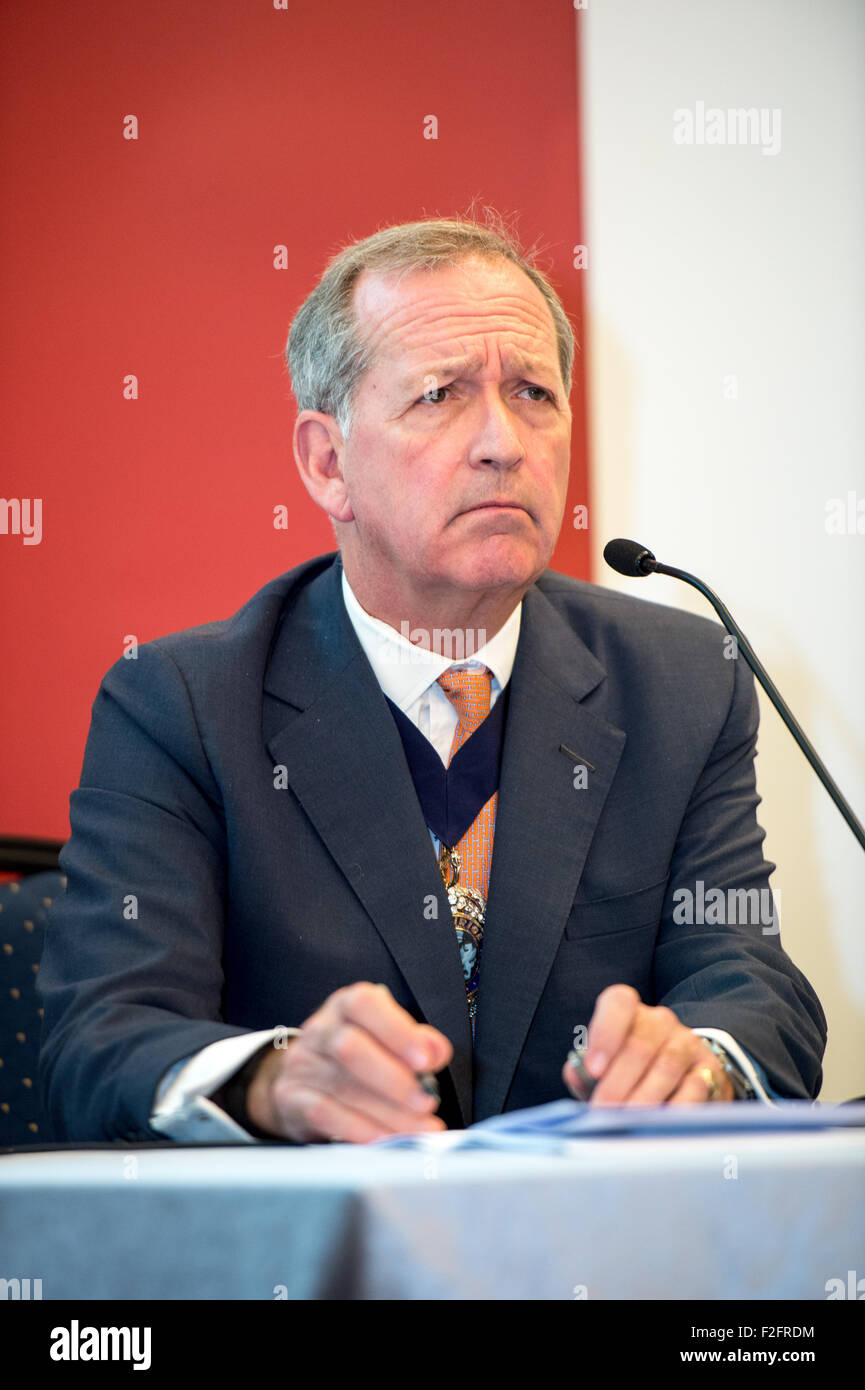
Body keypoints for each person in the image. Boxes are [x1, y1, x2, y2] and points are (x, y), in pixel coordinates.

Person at [38, 214, 826, 1145]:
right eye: (440, 395)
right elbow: (100, 1035)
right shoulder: (181, 705)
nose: (503, 442)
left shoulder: (681, 681)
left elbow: (747, 980)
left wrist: (697, 1057)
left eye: (534, 392)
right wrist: (274, 1082)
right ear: (327, 464)